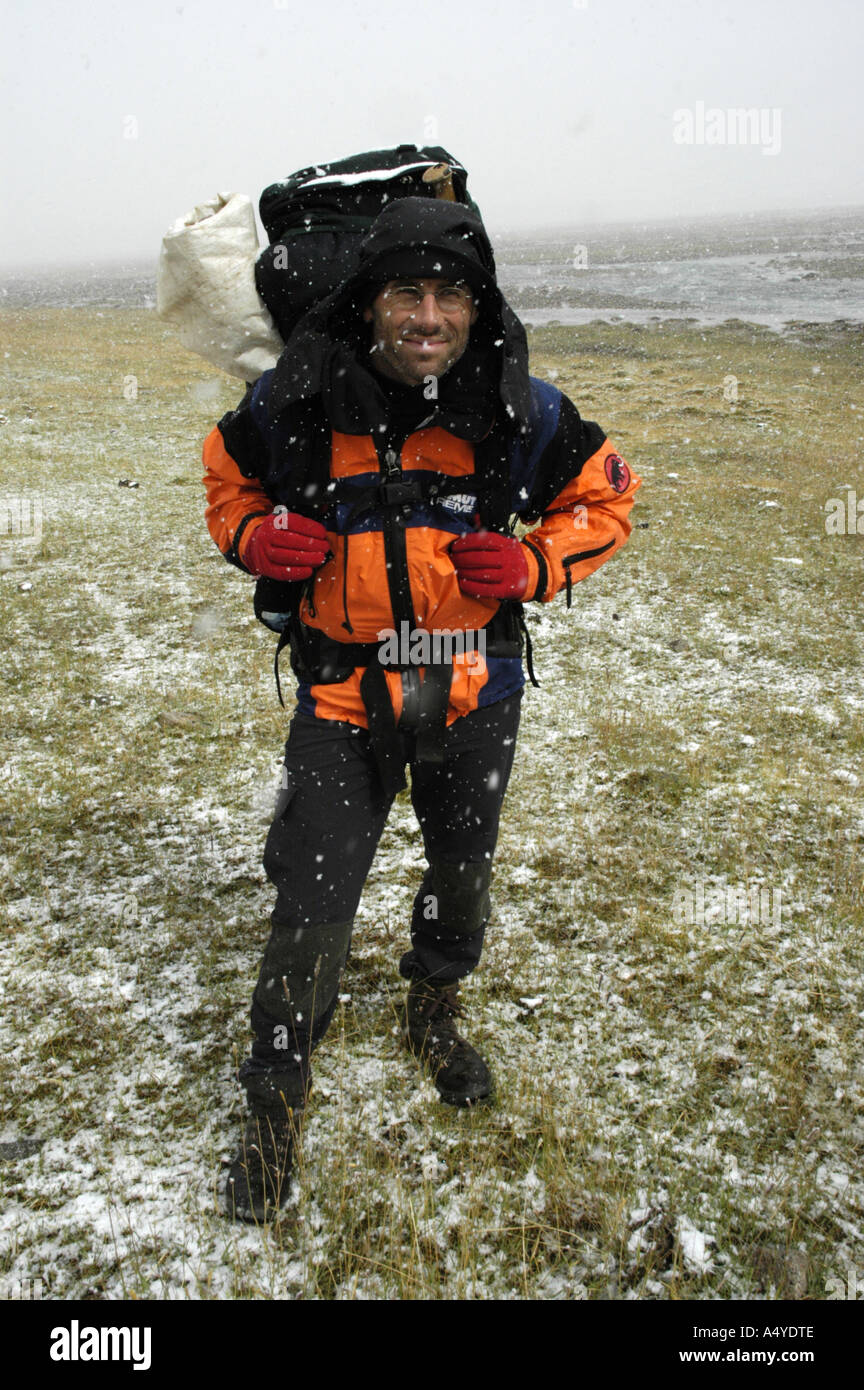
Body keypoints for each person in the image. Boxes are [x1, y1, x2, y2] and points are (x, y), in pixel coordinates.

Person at [201, 196, 641, 1222]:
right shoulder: (294, 402)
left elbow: (606, 496)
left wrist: (535, 561)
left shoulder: (520, 407)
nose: (429, 315)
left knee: (460, 873)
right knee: (311, 905)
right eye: (408, 292)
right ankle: (274, 1101)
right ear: (369, 304)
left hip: (473, 694)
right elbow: (226, 479)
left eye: (450, 294)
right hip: (344, 695)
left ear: (477, 309)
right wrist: (256, 540)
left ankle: (434, 1011)